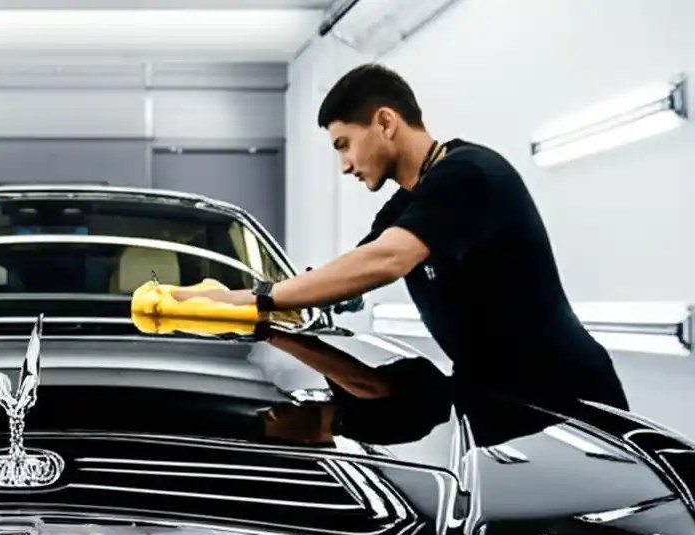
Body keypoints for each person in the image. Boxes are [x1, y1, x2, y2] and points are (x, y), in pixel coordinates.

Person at [174, 63, 626, 409]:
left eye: (343, 144)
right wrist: (231, 303)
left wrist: (256, 298)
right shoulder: (410, 201)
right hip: (492, 397)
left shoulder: (469, 174)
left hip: (568, 399)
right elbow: (348, 274)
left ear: (385, 122)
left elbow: (385, 261)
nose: (345, 165)